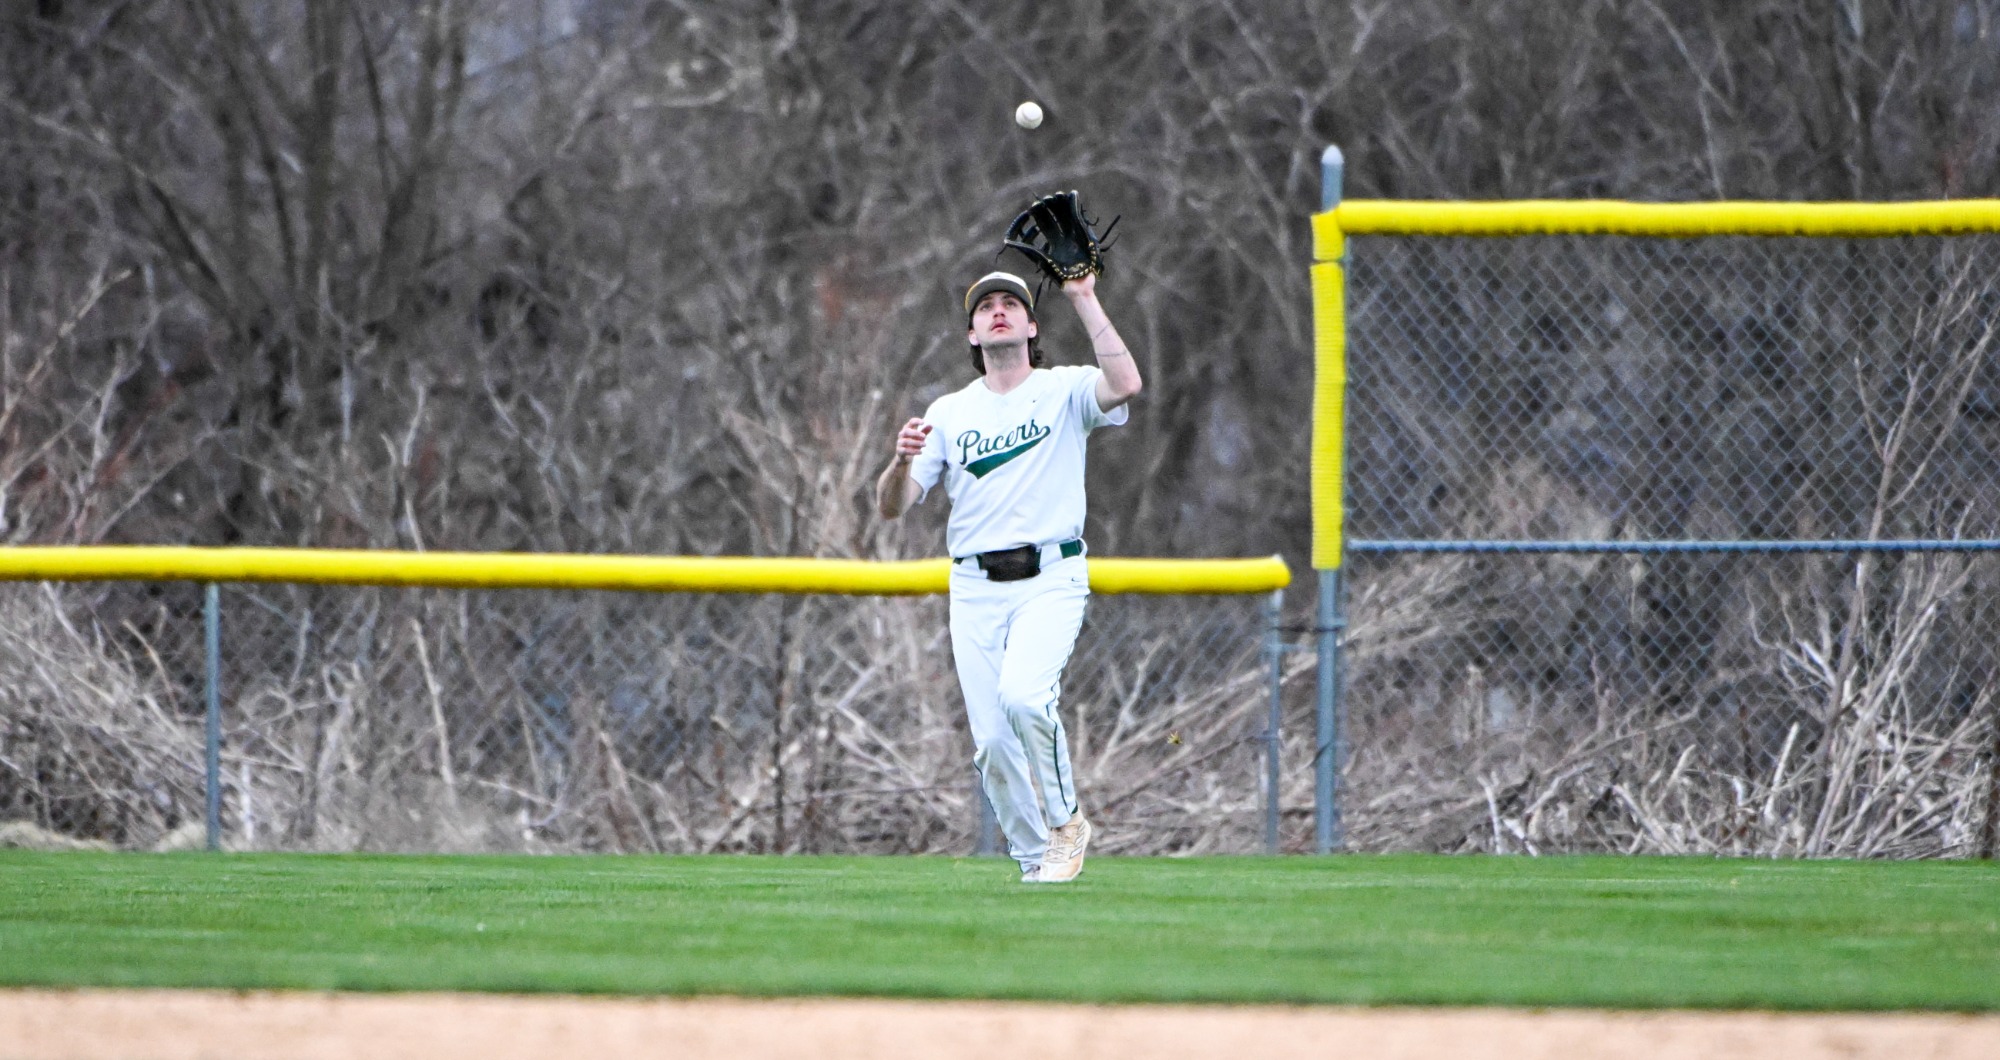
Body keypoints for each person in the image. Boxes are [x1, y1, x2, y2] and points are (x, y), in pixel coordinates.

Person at [875, 269, 1142, 883]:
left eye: (1011, 305)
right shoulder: (949, 412)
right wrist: (899, 461)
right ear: (971, 332)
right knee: (993, 745)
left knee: (1025, 697)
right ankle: (1034, 865)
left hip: (1050, 574)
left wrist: (1083, 295)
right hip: (973, 587)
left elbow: (1126, 383)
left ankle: (1067, 824)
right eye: (986, 307)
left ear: (1031, 326)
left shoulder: (1064, 390)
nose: (998, 312)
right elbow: (892, 506)